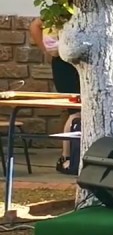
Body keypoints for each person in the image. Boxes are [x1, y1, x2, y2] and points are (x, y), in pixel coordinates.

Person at [28, 18, 80, 174]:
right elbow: (36, 25)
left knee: (81, 111)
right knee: (75, 110)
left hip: (84, 63)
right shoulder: (61, 7)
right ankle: (67, 158)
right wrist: (45, 49)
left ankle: (77, 156)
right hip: (64, 64)